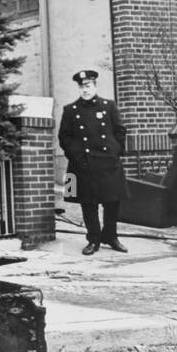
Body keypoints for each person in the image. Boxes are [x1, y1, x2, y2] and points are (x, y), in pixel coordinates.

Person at [58, 69, 128, 256]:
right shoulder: (71, 110)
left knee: (112, 202)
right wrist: (78, 158)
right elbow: (64, 138)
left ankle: (111, 237)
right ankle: (94, 240)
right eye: (82, 86)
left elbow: (120, 130)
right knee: (88, 204)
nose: (85, 90)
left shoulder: (109, 106)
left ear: (95, 85)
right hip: (83, 165)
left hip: (109, 164)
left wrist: (116, 152)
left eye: (88, 86)